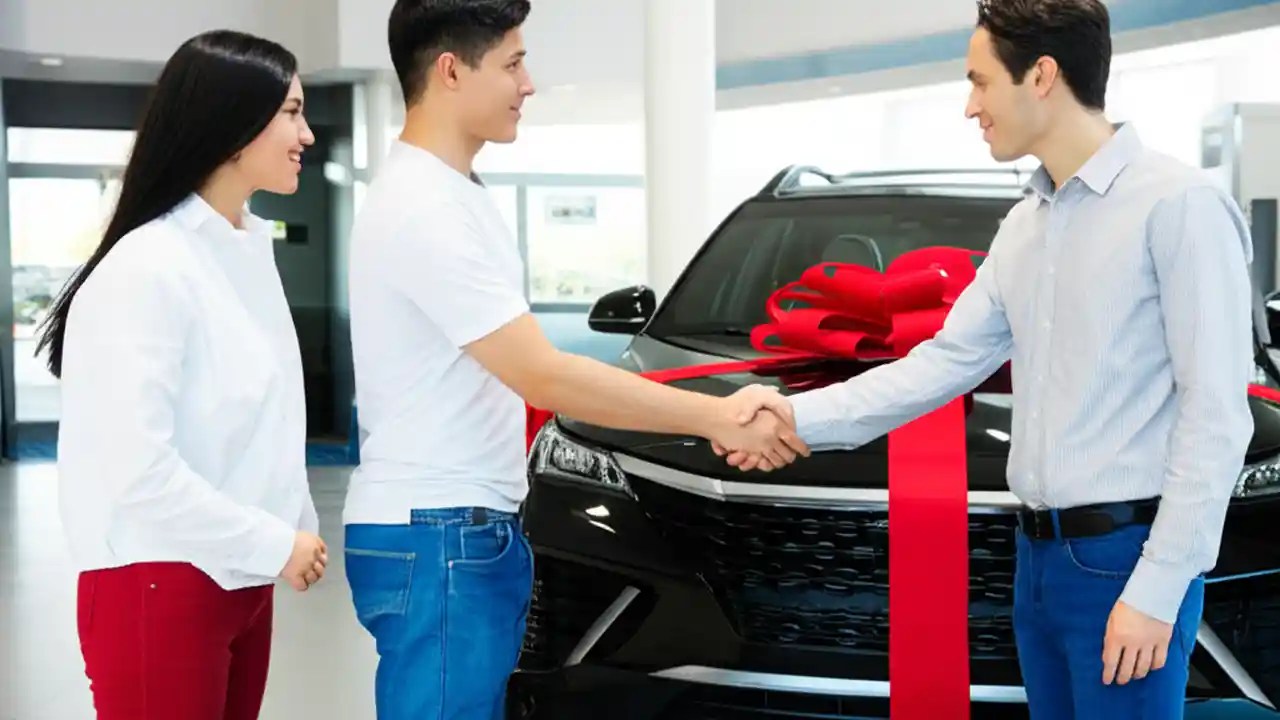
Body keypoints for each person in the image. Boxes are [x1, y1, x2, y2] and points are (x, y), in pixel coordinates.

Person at [720, 0, 1254, 717]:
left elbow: (1216, 414)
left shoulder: (1180, 205)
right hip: (1036, 560)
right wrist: (792, 415)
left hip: (1125, 560)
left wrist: (1158, 590)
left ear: (1042, 75)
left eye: (979, 81)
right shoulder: (1025, 225)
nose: (970, 106)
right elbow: (941, 364)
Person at [343, 1, 807, 717]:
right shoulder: (424, 207)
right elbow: (542, 374)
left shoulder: (452, 194)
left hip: (457, 529)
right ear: (450, 71)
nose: (527, 84)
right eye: (513, 64)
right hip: (440, 533)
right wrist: (715, 417)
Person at [42, 30, 328, 720]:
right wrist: (274, 542)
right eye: (291, 113)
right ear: (233, 124)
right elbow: (137, 470)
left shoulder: (244, 250)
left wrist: (292, 529)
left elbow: (261, 420)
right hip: (157, 579)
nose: (307, 135)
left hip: (238, 576)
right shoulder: (147, 266)